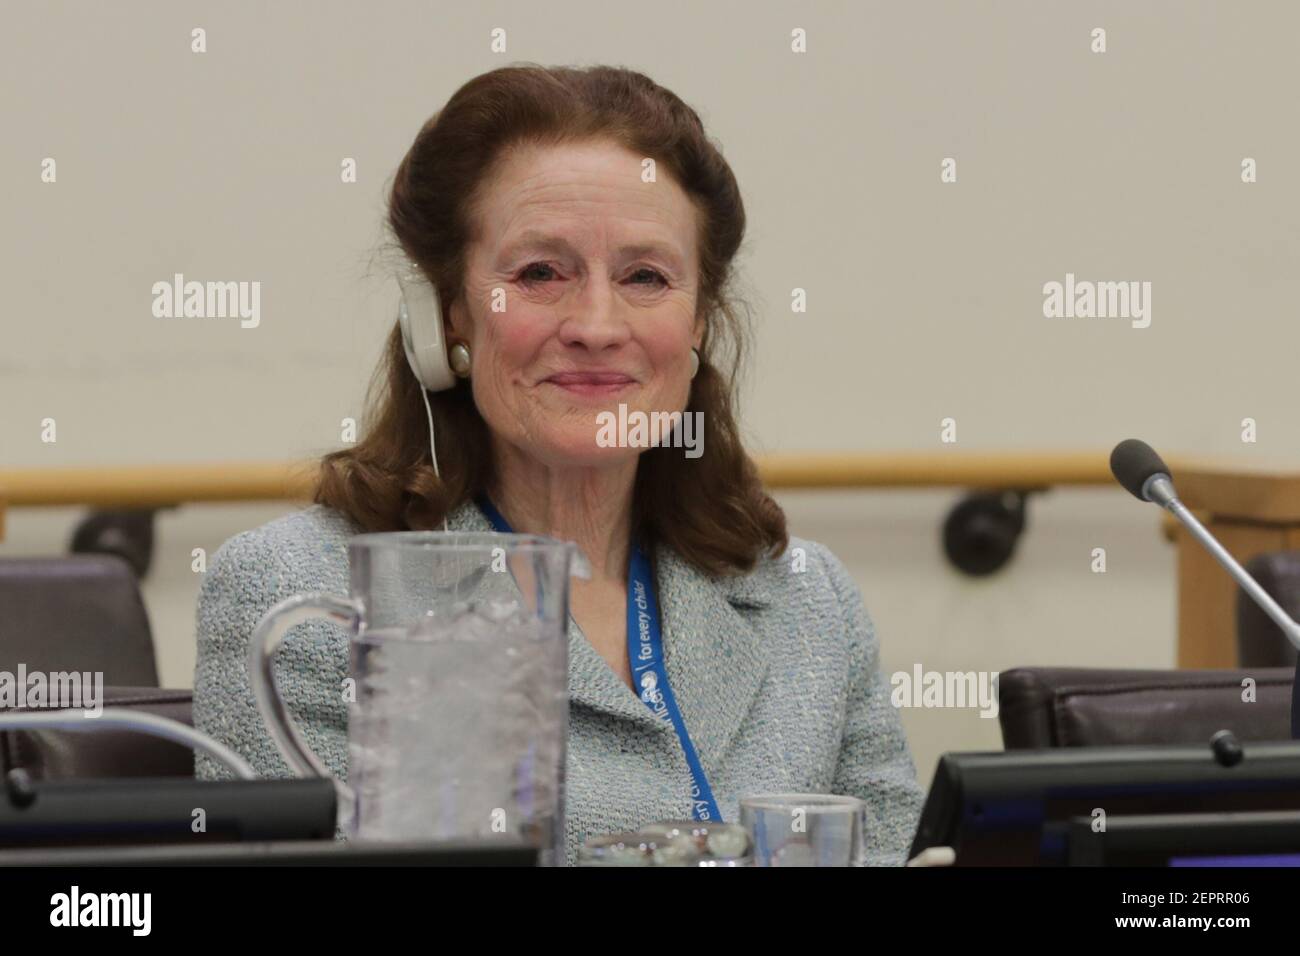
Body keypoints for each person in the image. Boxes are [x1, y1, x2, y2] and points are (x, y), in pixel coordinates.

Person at [192, 63, 924, 865]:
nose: (597, 325)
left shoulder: (808, 604)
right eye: (540, 273)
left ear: (699, 325)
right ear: (447, 319)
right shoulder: (298, 593)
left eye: (646, 277)